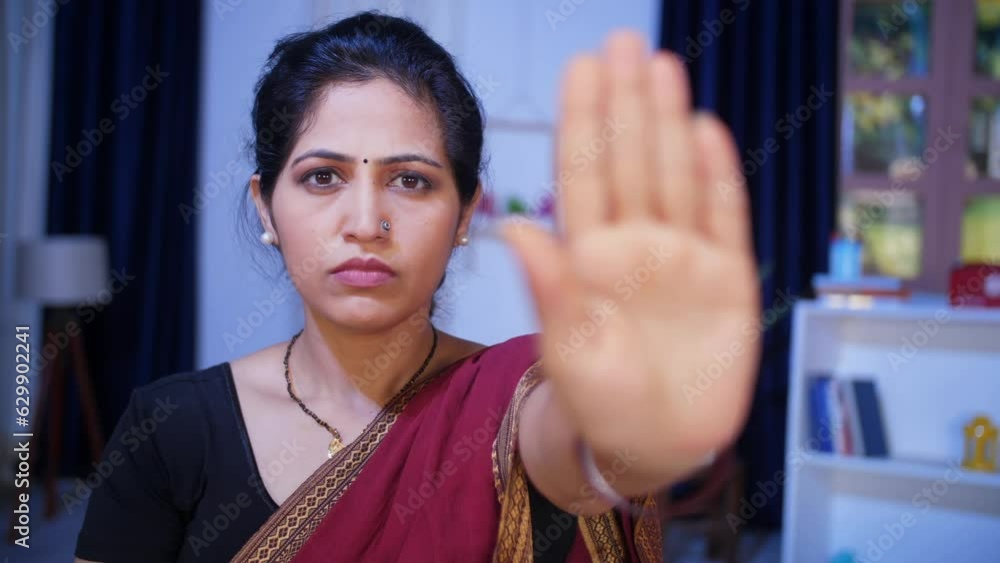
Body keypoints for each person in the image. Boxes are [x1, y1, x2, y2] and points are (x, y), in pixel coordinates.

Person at [74, 10, 760, 563]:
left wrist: (627, 435)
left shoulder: (514, 397)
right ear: (265, 207)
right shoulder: (167, 427)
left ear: (464, 213)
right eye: (323, 176)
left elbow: (566, 446)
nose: (367, 221)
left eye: (411, 180)